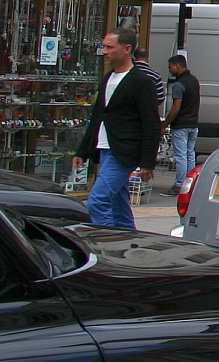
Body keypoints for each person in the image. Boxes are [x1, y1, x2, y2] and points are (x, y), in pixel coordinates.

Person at [70, 28, 161, 229]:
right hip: (104, 147)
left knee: (98, 200)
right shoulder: (108, 78)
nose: (104, 51)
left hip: (124, 151)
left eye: (109, 47)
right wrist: (83, 151)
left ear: (127, 49)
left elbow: (151, 123)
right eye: (104, 46)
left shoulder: (141, 81)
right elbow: (97, 117)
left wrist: (148, 161)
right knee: (118, 202)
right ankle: (128, 239)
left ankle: (105, 242)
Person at [165, 52, 201, 182]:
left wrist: (165, 125)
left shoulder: (178, 85)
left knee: (181, 156)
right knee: (190, 154)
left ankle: (179, 184)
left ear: (176, 66)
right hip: (193, 124)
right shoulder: (194, 80)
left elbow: (176, 108)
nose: (169, 70)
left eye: (170, 67)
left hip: (181, 125)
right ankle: (190, 182)